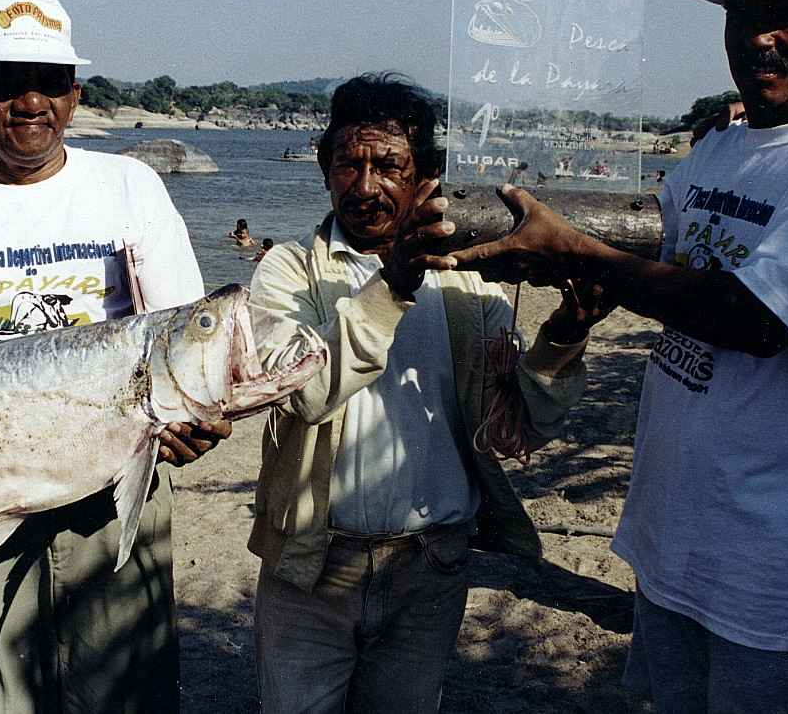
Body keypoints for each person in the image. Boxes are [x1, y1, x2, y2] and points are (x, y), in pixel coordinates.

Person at [451, 0, 788, 712]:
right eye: (741, 18)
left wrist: (587, 258)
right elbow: (640, 257)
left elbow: (755, 318)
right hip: (674, 541)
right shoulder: (715, 155)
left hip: (777, 577)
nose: (758, 39)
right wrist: (526, 250)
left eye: (786, 17)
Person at [0, 0, 231, 713]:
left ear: (76, 95)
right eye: (6, 82)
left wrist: (197, 423)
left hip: (113, 497)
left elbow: (184, 342)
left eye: (50, 81)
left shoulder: (130, 186)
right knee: (3, 699)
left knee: (126, 695)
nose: (31, 102)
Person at [247, 73, 610, 712]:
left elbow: (518, 427)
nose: (365, 186)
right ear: (323, 171)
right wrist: (391, 286)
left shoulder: (468, 286)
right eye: (347, 165)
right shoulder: (287, 272)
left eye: (388, 166)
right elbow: (302, 392)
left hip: (431, 567)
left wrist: (563, 334)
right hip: (312, 567)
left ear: (424, 178)